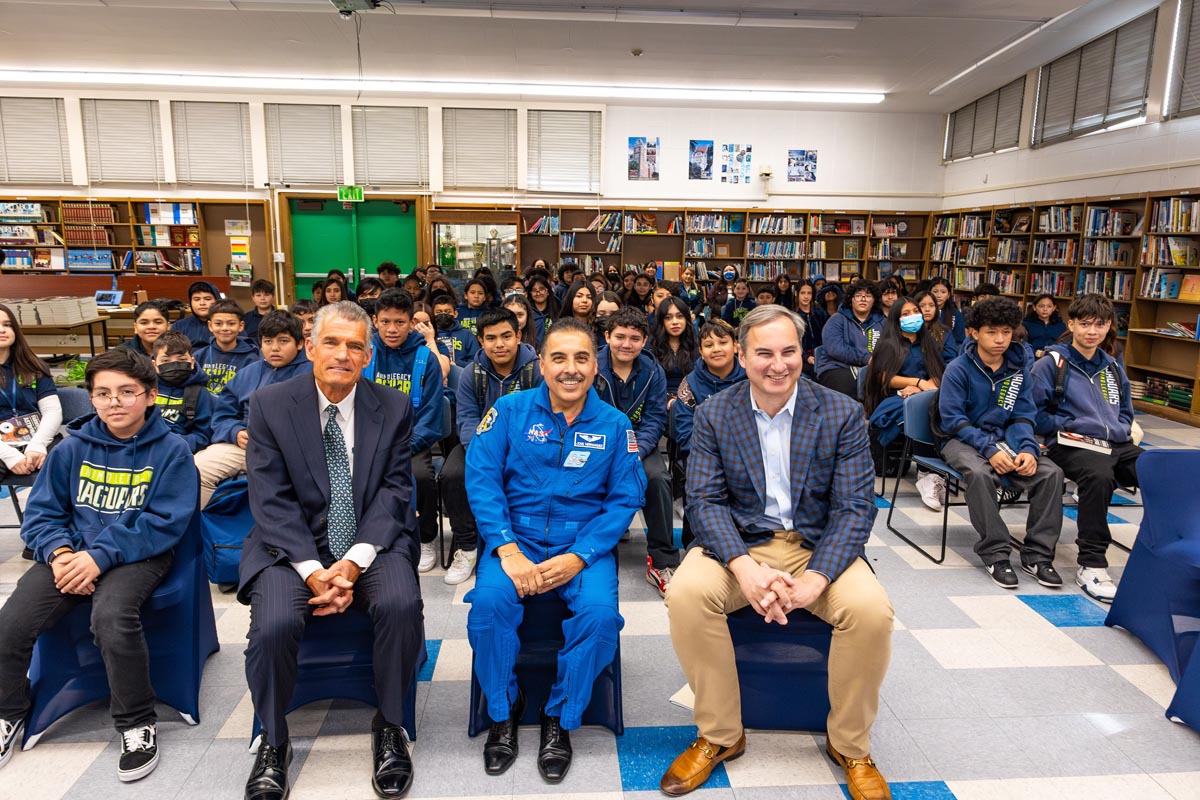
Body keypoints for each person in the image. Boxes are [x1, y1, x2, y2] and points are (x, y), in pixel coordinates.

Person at [660, 305, 894, 800]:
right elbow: (704, 501)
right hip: (741, 543)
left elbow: (855, 508)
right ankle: (720, 735)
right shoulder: (714, 413)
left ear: (804, 356)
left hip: (818, 545)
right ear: (742, 357)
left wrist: (815, 580)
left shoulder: (842, 412)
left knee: (871, 612)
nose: (777, 364)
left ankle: (850, 745)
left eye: (788, 351)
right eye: (763, 352)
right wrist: (743, 568)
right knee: (685, 594)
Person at [239, 301, 423, 800]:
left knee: (402, 603)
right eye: (333, 342)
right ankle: (274, 740)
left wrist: (353, 561)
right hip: (289, 546)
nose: (343, 354)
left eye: (355, 346)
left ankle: (390, 725)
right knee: (275, 623)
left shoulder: (393, 406)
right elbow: (270, 500)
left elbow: (394, 492)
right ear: (310, 347)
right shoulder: (270, 405)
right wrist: (313, 570)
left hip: (369, 542)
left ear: (368, 356)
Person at [0, 348, 198, 782]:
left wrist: (100, 556)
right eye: (103, 393)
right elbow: (43, 514)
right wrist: (61, 553)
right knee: (10, 622)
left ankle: (136, 722)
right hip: (70, 556)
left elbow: (165, 522)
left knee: (110, 618)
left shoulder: (172, 451)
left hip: (137, 555)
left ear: (151, 396)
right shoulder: (70, 449)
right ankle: (10, 710)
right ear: (91, 398)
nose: (114, 402)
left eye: (127, 392)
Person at [465, 317, 645, 783]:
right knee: (486, 607)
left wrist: (579, 556)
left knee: (600, 618)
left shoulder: (615, 424)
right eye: (559, 358)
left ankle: (560, 718)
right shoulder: (507, 412)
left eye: (582, 358)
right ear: (540, 363)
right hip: (516, 541)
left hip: (582, 545)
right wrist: (507, 550)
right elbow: (482, 481)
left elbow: (625, 499)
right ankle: (503, 712)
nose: (570, 369)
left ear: (595, 364)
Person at [938, 297, 1064, 589]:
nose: (1000, 339)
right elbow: (954, 421)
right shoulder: (958, 368)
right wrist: (990, 450)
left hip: (1006, 438)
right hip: (960, 438)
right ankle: (996, 553)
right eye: (992, 331)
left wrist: (1029, 450)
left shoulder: (1019, 369)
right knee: (980, 474)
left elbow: (1022, 417)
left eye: (1006, 332)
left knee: (1051, 473)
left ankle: (1037, 555)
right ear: (974, 332)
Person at [1031, 293, 1140, 603]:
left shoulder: (1112, 367)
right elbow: (1034, 414)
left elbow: (1126, 414)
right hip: (1069, 443)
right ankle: (1091, 564)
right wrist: (1071, 426)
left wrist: (1119, 431)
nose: (1092, 332)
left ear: (1109, 327)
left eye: (1100, 325)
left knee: (1162, 470)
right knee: (1099, 476)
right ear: (1072, 324)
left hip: (1114, 442)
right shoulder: (1052, 363)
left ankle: (1161, 550)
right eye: (1086, 324)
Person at [442, 308, 542, 586]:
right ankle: (467, 546)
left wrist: (513, 454)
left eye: (506, 336)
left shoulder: (537, 370)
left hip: (526, 447)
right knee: (452, 474)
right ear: (481, 341)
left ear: (518, 336)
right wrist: (487, 456)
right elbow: (466, 420)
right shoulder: (470, 374)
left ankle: (525, 539)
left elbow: (542, 418)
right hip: (481, 445)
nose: (499, 344)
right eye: (491, 338)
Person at [594, 307, 677, 596]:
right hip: (597, 443)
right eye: (619, 337)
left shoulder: (653, 370)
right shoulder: (591, 365)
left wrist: (635, 451)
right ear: (607, 336)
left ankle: (662, 560)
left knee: (657, 479)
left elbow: (655, 419)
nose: (626, 344)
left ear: (644, 341)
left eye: (634, 338)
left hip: (638, 445)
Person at [195, 311, 312, 508]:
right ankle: (206, 531)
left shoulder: (312, 374)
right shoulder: (248, 373)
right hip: (245, 448)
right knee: (196, 468)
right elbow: (223, 415)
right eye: (267, 341)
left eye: (283, 341)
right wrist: (235, 432)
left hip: (292, 454)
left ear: (300, 343)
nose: (274, 348)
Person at [366, 289, 446, 573]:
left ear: (412, 323)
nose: (392, 329)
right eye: (385, 321)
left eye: (400, 322)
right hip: (367, 439)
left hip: (411, 441)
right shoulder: (365, 354)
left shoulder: (427, 359)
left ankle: (425, 537)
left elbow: (432, 415)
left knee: (421, 476)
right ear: (375, 321)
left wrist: (403, 445)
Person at [862, 299, 954, 509]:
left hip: (924, 396)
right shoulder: (888, 344)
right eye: (905, 313)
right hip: (893, 397)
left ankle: (935, 470)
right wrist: (918, 383)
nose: (912, 316)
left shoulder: (927, 341)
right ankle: (926, 473)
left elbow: (938, 374)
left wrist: (922, 389)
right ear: (896, 318)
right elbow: (884, 377)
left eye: (915, 311)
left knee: (940, 407)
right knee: (922, 409)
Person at [670, 319, 746, 546]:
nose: (717, 349)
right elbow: (684, 432)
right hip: (703, 460)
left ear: (735, 346)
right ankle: (694, 543)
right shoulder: (690, 384)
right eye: (709, 345)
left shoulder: (753, 379)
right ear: (701, 351)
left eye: (723, 342)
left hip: (748, 460)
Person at [0, 304, 62, 480]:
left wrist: (37, 445)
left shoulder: (33, 366)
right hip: (1, 446)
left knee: (68, 462)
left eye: (7, 324)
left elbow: (52, 411)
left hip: (37, 437)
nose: (2, 330)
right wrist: (9, 455)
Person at [814, 282, 884, 399]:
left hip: (872, 369)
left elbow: (890, 347)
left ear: (874, 300)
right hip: (836, 367)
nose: (863, 299)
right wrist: (866, 358)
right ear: (851, 299)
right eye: (858, 295)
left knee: (884, 389)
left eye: (868, 295)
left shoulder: (883, 322)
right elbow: (836, 349)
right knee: (851, 388)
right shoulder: (836, 320)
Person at [150, 330, 212, 454]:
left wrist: (171, 443)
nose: (174, 365)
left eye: (182, 359)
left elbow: (203, 436)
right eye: (166, 361)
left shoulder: (199, 393)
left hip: (179, 450)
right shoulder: (144, 389)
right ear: (154, 364)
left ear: (192, 362)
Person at [192, 299, 259, 397]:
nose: (224, 328)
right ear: (210, 326)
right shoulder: (199, 356)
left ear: (241, 326)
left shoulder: (251, 359)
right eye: (218, 324)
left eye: (231, 323)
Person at [651, 296, 698, 400]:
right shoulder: (652, 347)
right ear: (661, 321)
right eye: (668, 317)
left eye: (680, 316)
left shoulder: (697, 346)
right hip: (659, 399)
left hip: (692, 399)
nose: (675, 322)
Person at [432, 293, 482, 368]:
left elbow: (476, 361)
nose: (443, 315)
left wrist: (457, 364)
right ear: (432, 314)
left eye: (447, 311)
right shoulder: (430, 334)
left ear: (455, 314)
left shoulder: (467, 334)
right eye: (439, 312)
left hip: (461, 375)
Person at [172, 280, 221, 348]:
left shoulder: (226, 324)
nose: (202, 303)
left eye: (207, 299)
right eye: (197, 299)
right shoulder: (179, 326)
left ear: (217, 301)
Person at [794, 280, 826, 377]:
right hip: (801, 358)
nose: (806, 296)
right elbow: (792, 342)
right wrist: (806, 357)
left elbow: (826, 338)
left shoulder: (820, 314)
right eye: (803, 293)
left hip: (821, 355)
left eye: (809, 293)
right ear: (796, 293)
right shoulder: (792, 316)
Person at [928, 276, 965, 349]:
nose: (938, 295)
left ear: (948, 295)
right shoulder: (924, 311)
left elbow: (960, 341)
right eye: (935, 292)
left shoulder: (955, 314)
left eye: (943, 292)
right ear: (929, 293)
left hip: (950, 351)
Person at [1025, 294, 1067, 358]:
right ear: (1034, 307)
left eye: (1049, 306)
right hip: (1032, 358)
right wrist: (1036, 352)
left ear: (1054, 308)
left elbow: (1064, 345)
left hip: (1054, 358)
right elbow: (1023, 345)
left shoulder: (1060, 325)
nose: (1045, 309)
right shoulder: (1026, 324)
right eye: (1041, 306)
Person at [527, 276, 560, 348]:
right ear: (530, 293)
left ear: (547, 292)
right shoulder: (527, 312)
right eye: (534, 290)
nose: (538, 293)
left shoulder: (557, 309)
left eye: (541, 289)